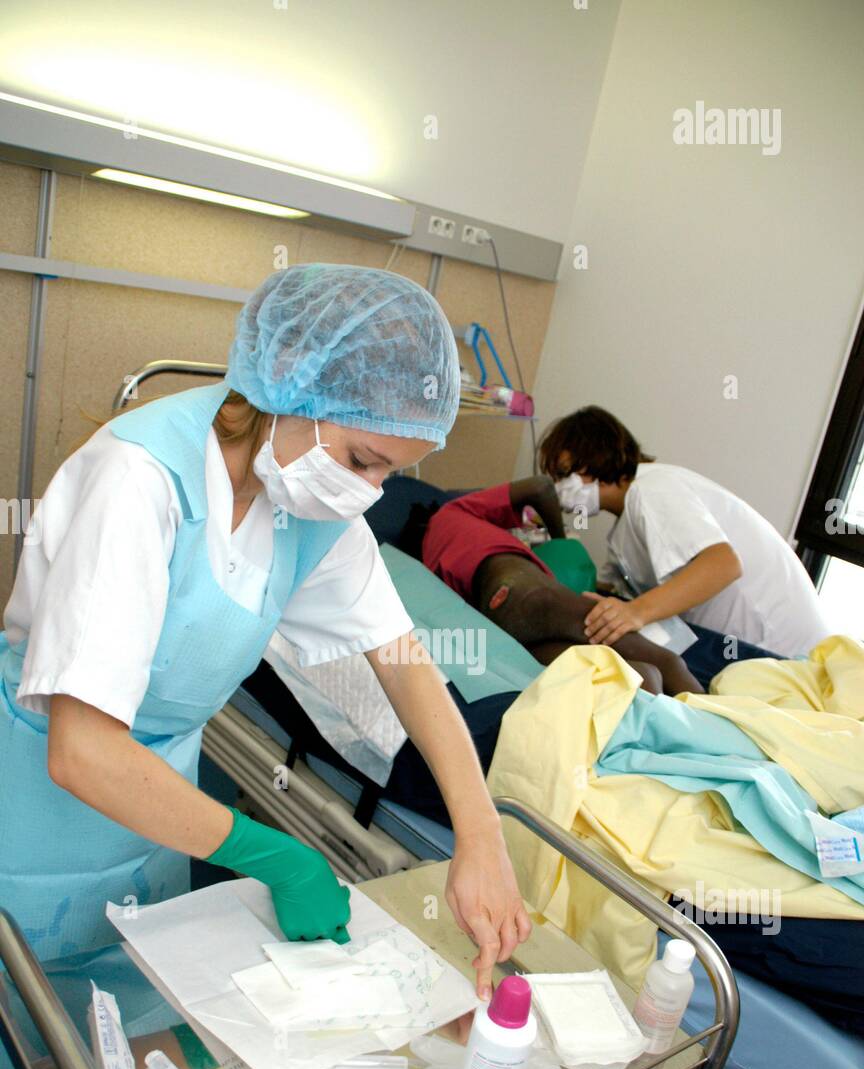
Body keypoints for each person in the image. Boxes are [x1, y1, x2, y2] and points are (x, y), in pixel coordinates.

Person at [0, 264, 531, 1016]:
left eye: (389, 475)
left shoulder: (309, 506)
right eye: (360, 461)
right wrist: (272, 853)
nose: (368, 494)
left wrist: (482, 837)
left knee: (114, 1040)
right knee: (22, 1045)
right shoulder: (139, 481)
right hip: (33, 817)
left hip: (160, 811)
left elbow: (404, 661)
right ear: (287, 377)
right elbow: (81, 749)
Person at [539, 405, 832, 658]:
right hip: (737, 644)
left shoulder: (653, 490)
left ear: (597, 458)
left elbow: (723, 564)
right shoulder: (623, 529)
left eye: (565, 474)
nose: (560, 489)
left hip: (778, 648)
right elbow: (609, 588)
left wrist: (635, 612)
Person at [406, 476, 702, 696]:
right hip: (526, 592)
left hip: (505, 630)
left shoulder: (431, 557)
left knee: (634, 675)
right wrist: (561, 539)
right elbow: (540, 487)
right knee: (667, 662)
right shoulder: (455, 510)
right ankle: (731, 749)